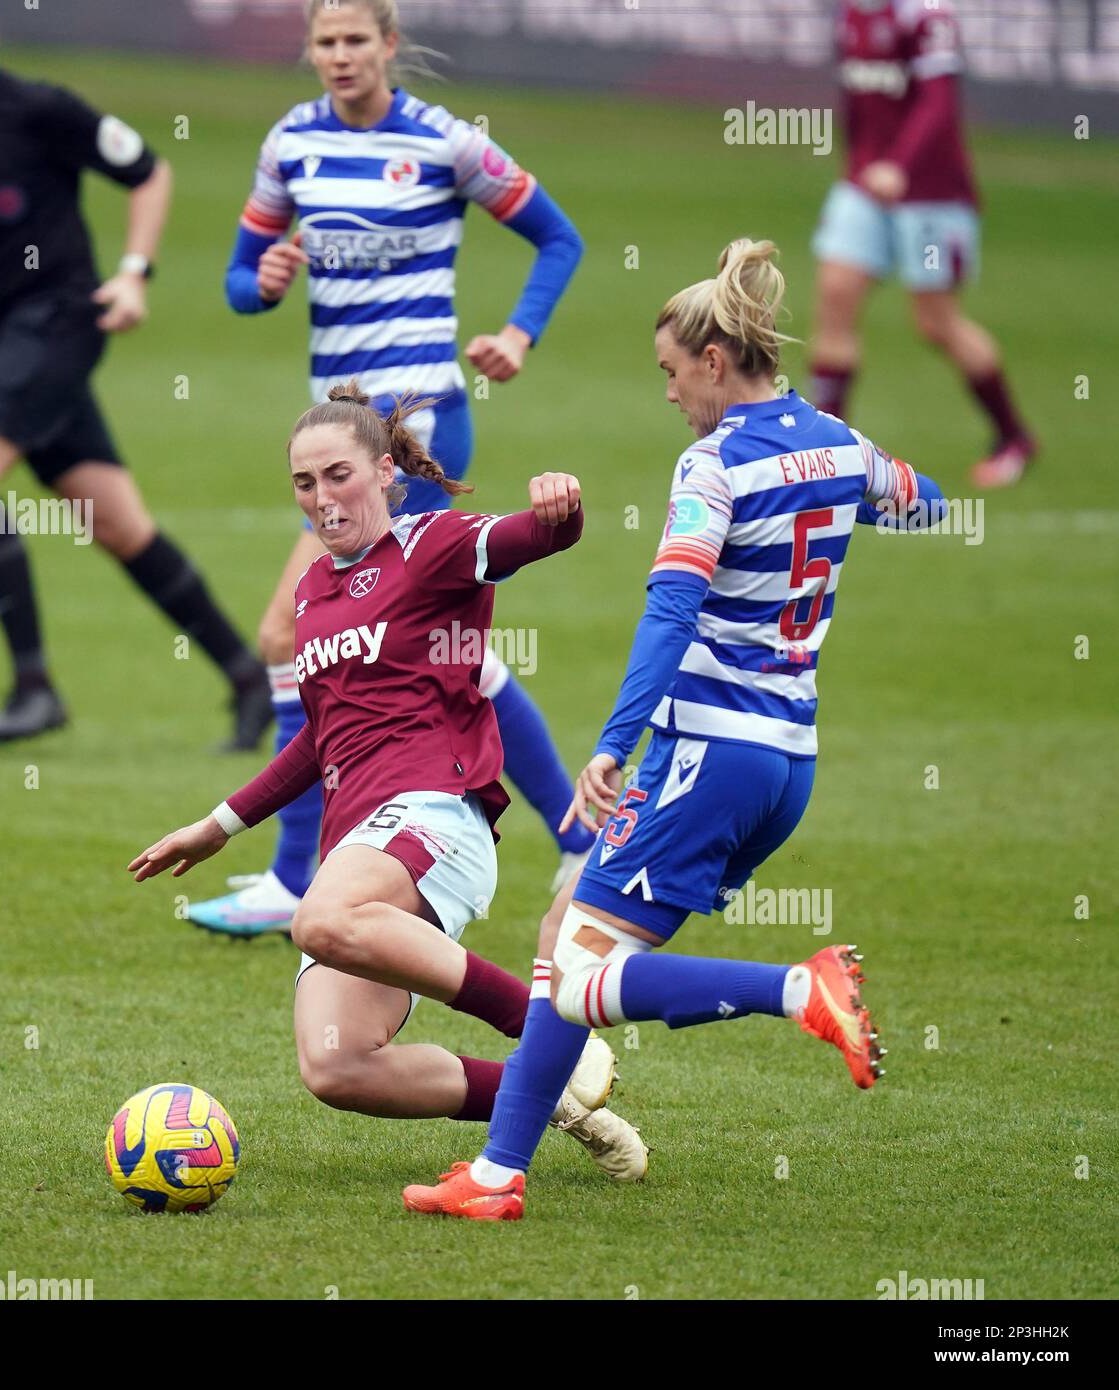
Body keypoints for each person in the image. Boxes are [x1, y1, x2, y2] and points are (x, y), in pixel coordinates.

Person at [404, 238, 944, 1221]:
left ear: (710, 360)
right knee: (564, 938)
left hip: (707, 754)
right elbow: (923, 504)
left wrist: (612, 744)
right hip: (787, 763)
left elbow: (668, 613)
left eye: (667, 371)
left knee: (576, 972)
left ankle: (798, 988)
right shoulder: (833, 440)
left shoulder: (712, 464)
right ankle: (492, 1174)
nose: (665, 395)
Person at [129, 386, 647, 1178]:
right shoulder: (311, 592)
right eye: (304, 484)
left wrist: (559, 506)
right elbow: (318, 740)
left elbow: (538, 536)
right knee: (337, 1067)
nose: (321, 499)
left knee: (318, 916)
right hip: (362, 842)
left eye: (336, 476)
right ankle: (541, 1099)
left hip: (434, 814)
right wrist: (220, 824)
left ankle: (546, 1030)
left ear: (382, 471)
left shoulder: (431, 545)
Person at [188, 0, 595, 935]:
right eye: (322, 43)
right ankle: (576, 835)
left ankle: (296, 877)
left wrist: (517, 336)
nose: (336, 57)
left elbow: (559, 238)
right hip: (338, 444)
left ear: (388, 47)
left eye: (353, 41)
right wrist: (264, 284)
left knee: (294, 635)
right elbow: (237, 280)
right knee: (448, 652)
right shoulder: (291, 144)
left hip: (415, 434)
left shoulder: (448, 144)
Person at [0, 0, 272, 747]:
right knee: (117, 523)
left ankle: (33, 686)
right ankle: (249, 680)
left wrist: (134, 275)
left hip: (60, 320)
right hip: (1, 342)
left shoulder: (40, 108)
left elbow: (150, 173)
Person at [808, 0, 1034, 489]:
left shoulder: (925, 15)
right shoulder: (851, 13)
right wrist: (858, 164)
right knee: (835, 295)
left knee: (935, 323)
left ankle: (1014, 436)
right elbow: (858, 101)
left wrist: (901, 166)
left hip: (931, 193)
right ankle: (825, 450)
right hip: (865, 184)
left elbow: (939, 103)